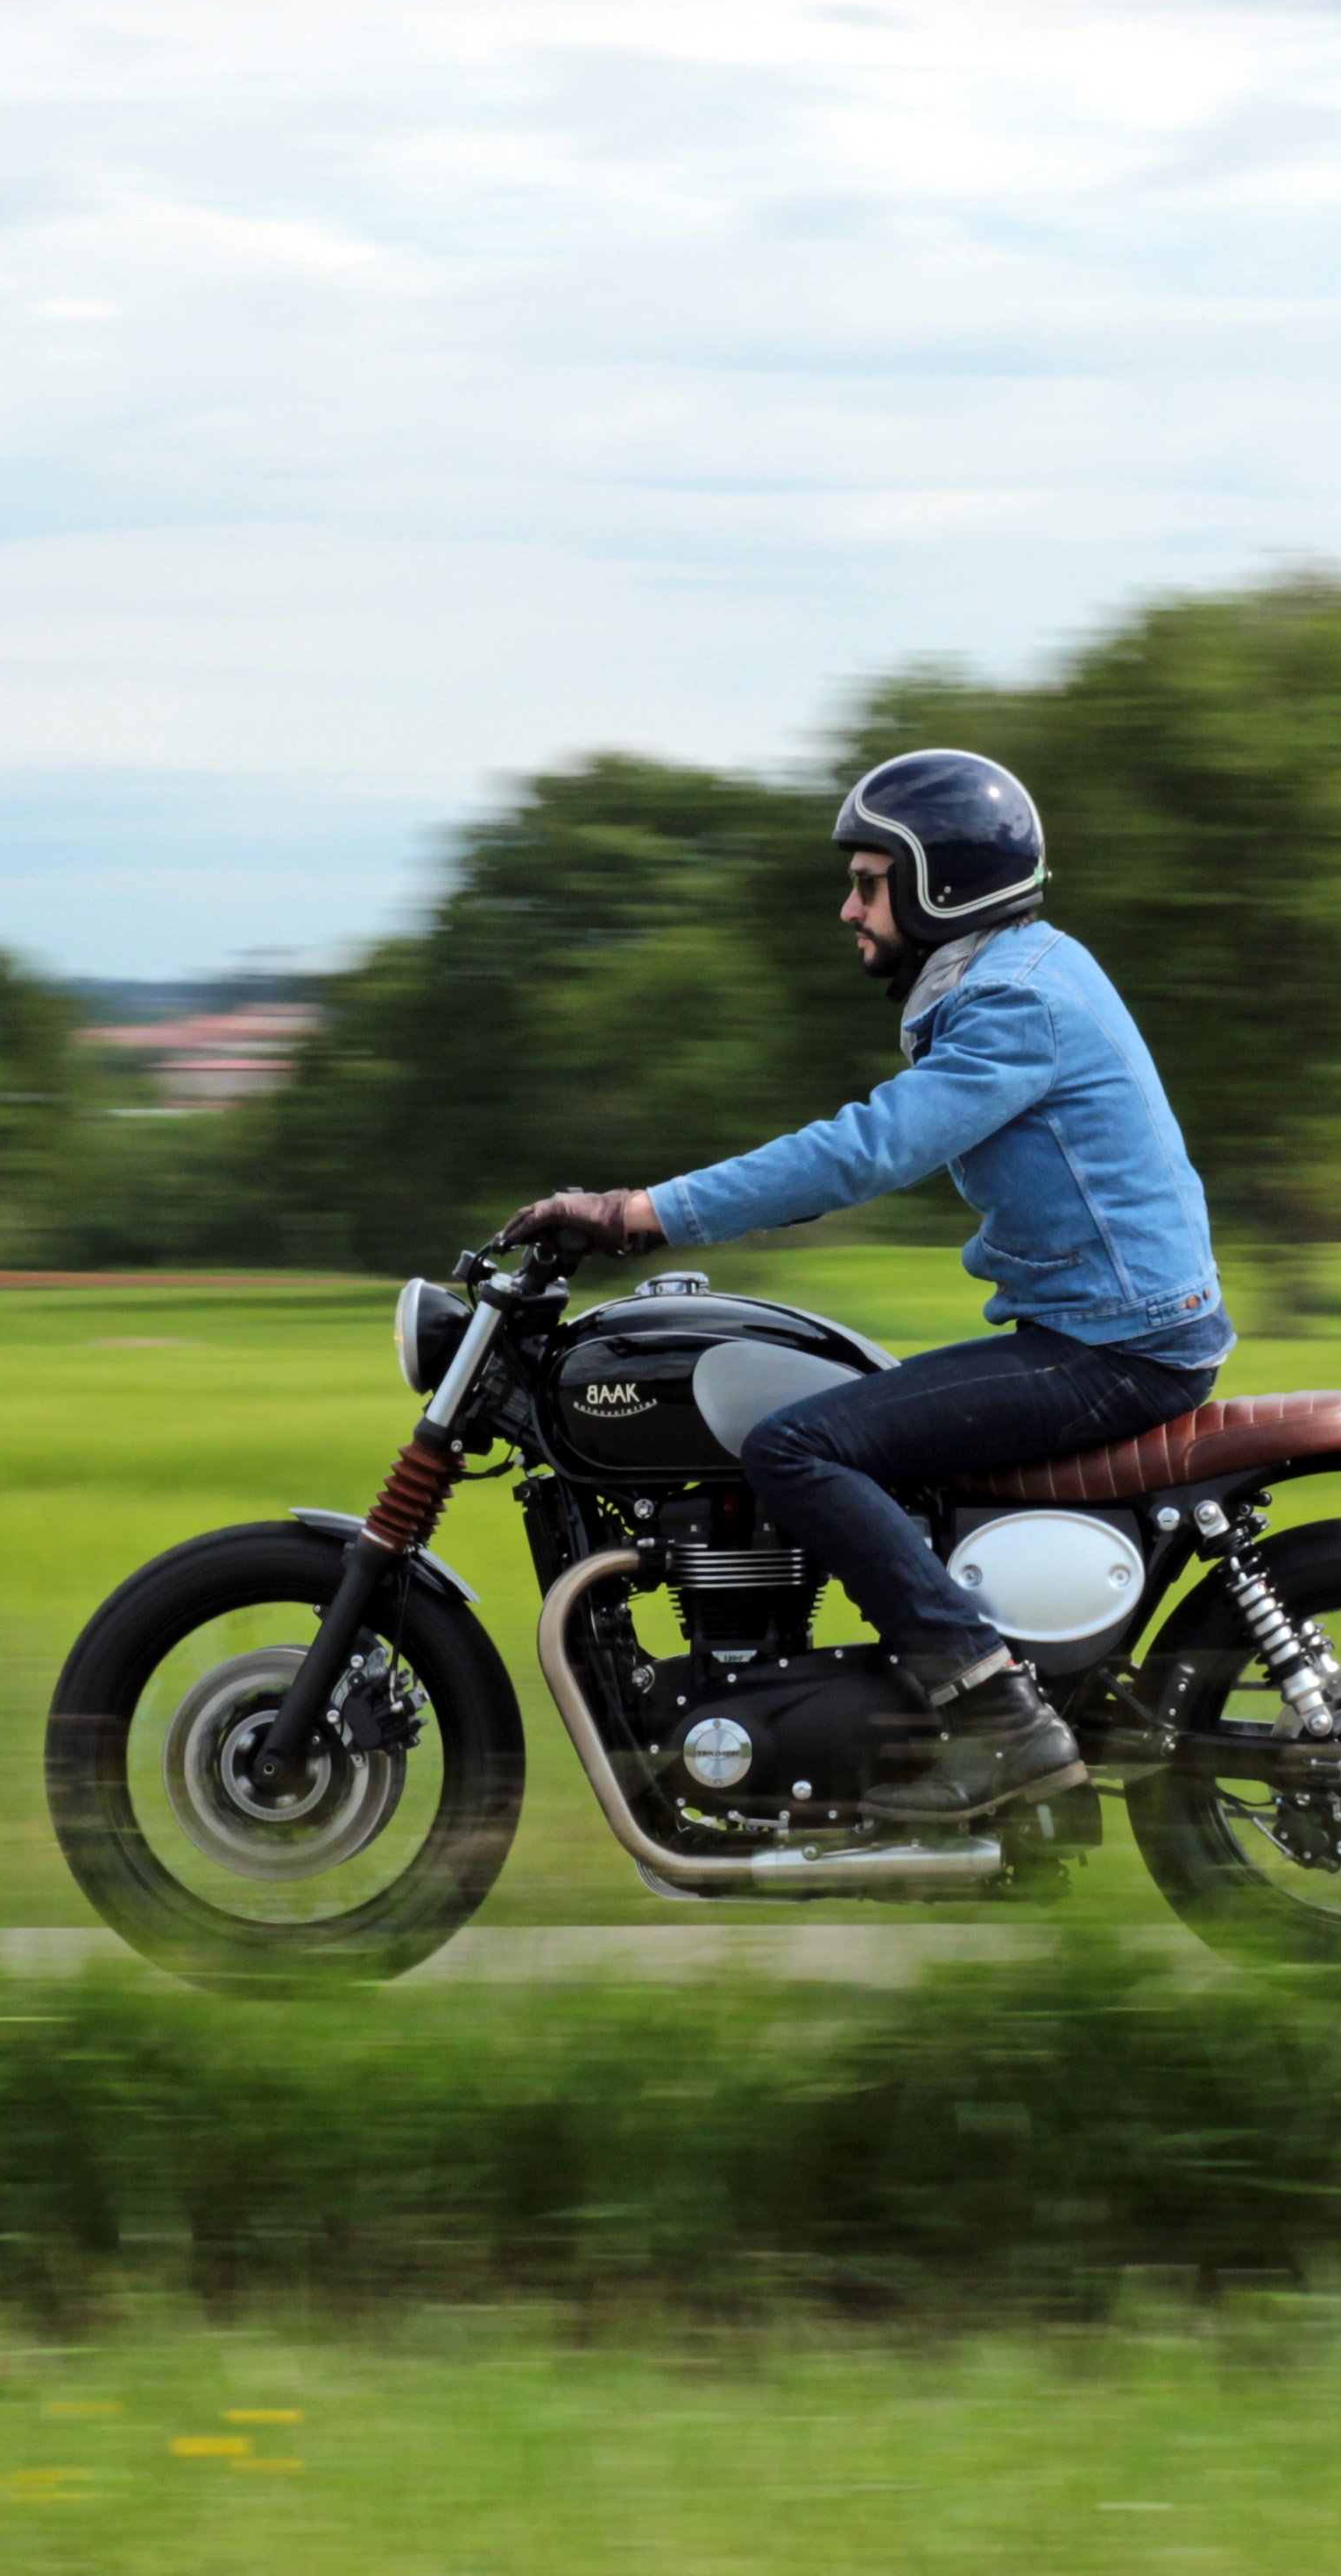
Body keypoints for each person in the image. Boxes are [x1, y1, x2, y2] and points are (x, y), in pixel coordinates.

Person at [503, 748, 1233, 1821]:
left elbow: (866, 1151)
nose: (848, 907)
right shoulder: (1028, 972)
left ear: (940, 884)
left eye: (867, 880)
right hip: (1105, 1333)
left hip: (1113, 1349)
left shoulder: (1015, 1004)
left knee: (796, 1442)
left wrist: (640, 1212)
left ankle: (993, 1710)